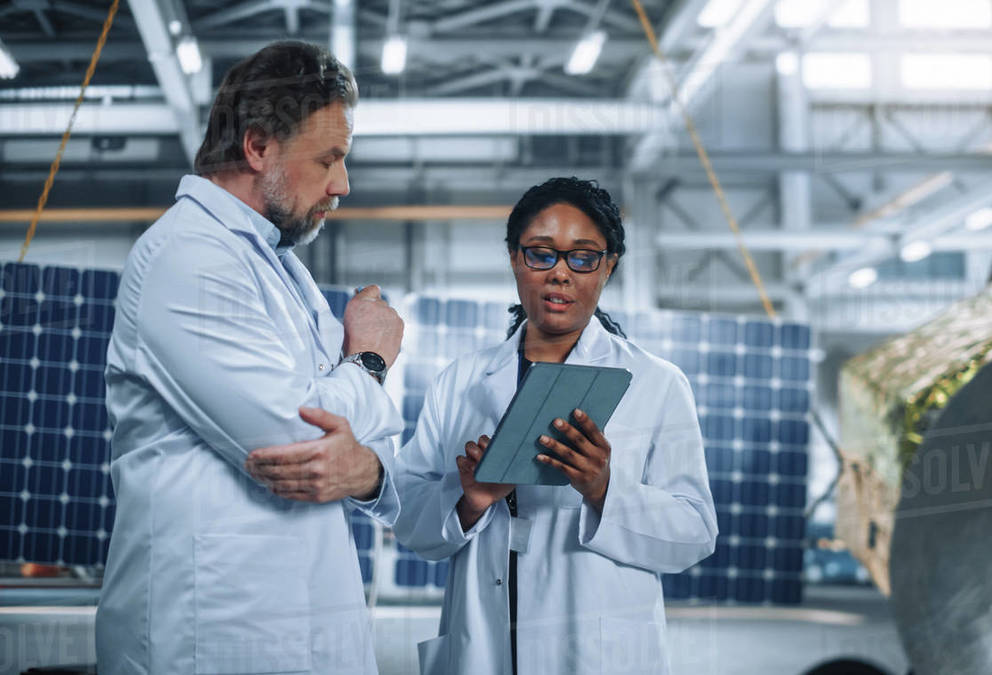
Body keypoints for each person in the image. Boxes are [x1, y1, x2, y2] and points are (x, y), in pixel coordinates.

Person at [98, 42, 405, 673]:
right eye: (329, 160)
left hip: (300, 625)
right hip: (213, 636)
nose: (342, 185)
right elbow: (300, 436)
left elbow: (360, 449)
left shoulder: (278, 268)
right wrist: (370, 360)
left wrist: (363, 459)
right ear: (258, 147)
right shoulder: (189, 258)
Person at [392, 177, 719, 674]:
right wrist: (469, 502)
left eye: (583, 257)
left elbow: (694, 533)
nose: (560, 274)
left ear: (608, 266)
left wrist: (605, 490)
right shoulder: (459, 382)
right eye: (540, 254)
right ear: (514, 258)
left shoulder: (657, 384)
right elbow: (407, 518)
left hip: (595, 655)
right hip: (483, 650)